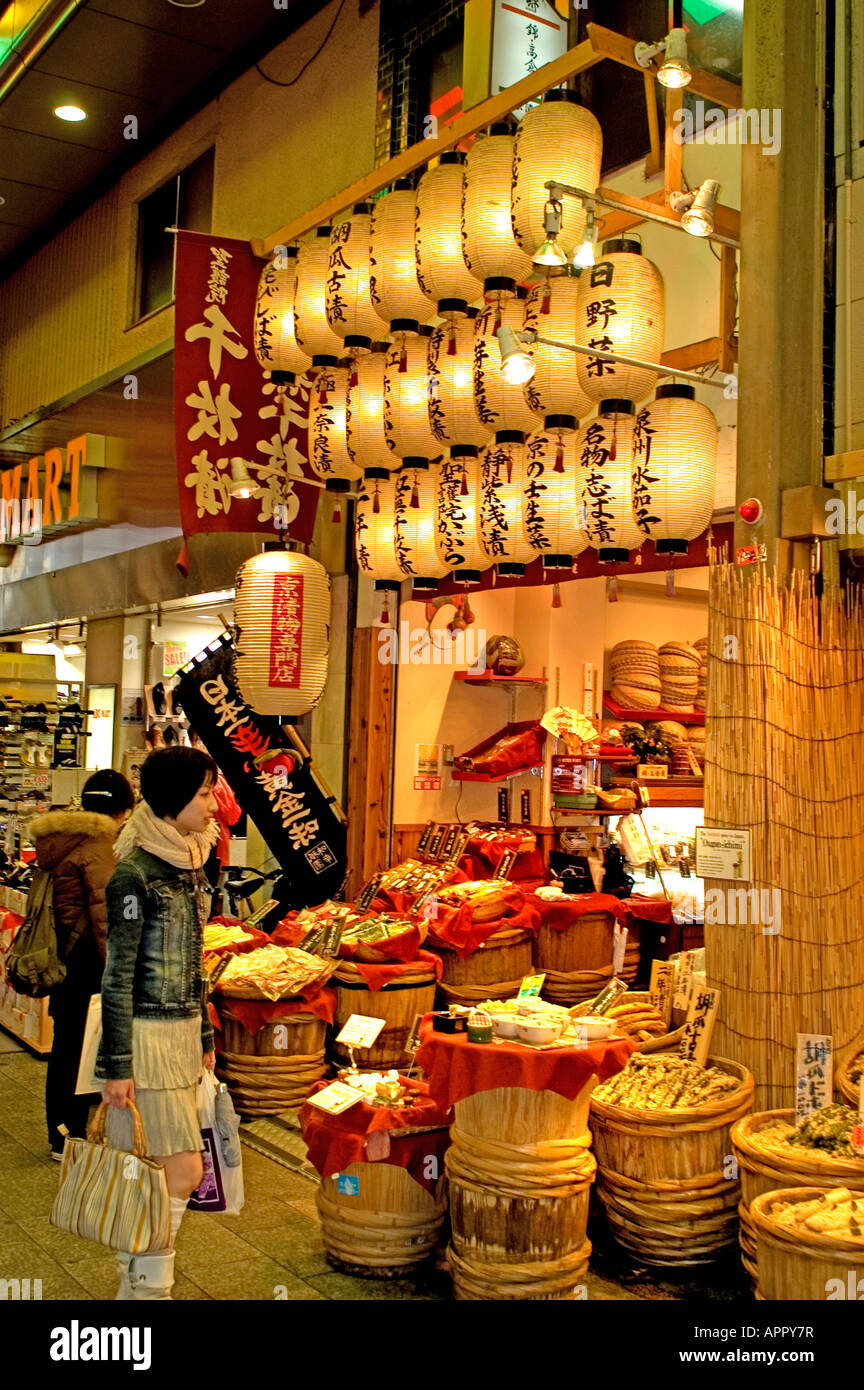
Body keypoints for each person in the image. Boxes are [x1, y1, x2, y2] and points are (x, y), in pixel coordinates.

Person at [97, 746, 219, 1301]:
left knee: (156, 1175)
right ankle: (147, 1296)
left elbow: (194, 964)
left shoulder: (192, 860)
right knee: (179, 1174)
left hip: (180, 1034)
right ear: (172, 799)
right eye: (202, 794)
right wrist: (116, 1065)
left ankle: (136, 1290)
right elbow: (116, 976)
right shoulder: (135, 874)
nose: (213, 805)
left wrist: (204, 1035)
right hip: (146, 1037)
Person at [30, 769, 135, 1159]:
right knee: (86, 1047)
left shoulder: (60, 840)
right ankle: (74, 1133)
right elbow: (107, 919)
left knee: (66, 1047)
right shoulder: (102, 847)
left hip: (65, 957)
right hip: (91, 960)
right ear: (124, 809)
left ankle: (61, 1131)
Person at [187, 727, 240, 914]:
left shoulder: (215, 778)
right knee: (203, 893)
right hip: (208, 845)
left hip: (209, 845)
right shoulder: (214, 779)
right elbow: (231, 815)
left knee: (204, 893)